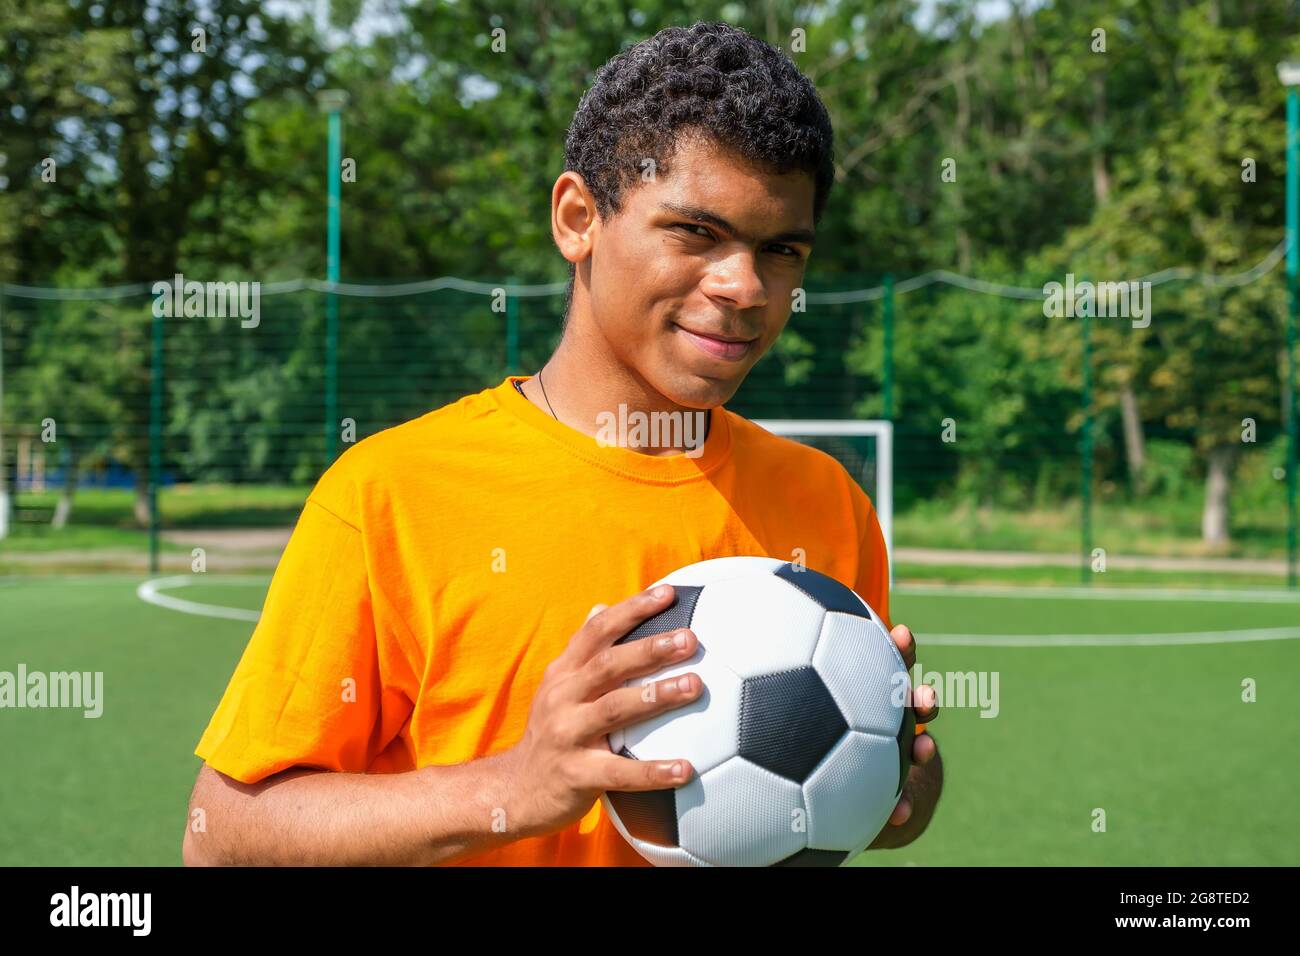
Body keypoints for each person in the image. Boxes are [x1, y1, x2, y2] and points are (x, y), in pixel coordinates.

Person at [183, 20, 941, 867]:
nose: (743, 286)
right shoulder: (392, 495)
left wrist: (878, 786)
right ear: (579, 217)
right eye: (695, 232)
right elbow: (222, 838)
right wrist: (513, 788)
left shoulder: (824, 501)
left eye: (782, 249)